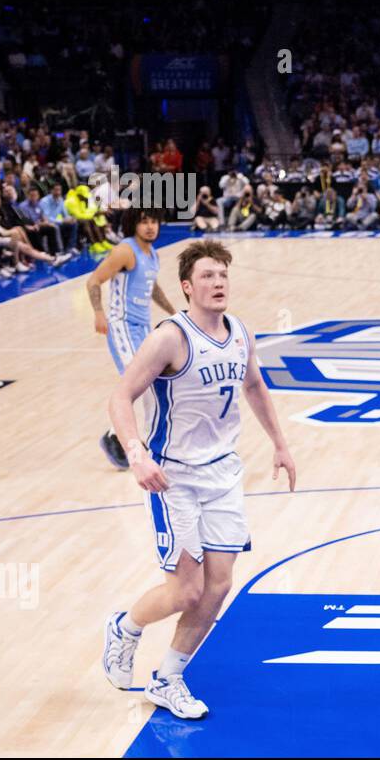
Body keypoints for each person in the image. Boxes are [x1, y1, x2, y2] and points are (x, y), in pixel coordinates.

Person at [101, 239, 297, 719]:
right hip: (174, 478)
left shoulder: (240, 333)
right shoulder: (171, 337)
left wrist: (280, 443)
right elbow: (121, 396)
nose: (218, 283)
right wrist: (136, 454)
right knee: (186, 591)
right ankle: (124, 627)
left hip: (223, 473)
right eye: (208, 276)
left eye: (223, 275)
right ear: (187, 287)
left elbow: (254, 385)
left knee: (219, 586)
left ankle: (168, 678)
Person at [87, 207, 176, 468]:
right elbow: (93, 281)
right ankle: (140, 442)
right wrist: (98, 313)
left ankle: (118, 436)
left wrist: (173, 313)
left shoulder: (153, 255)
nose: (150, 227)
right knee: (142, 383)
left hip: (143, 328)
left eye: (154, 221)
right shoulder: (125, 251)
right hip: (121, 326)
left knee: (154, 382)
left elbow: (152, 286)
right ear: (132, 225)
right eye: (144, 222)